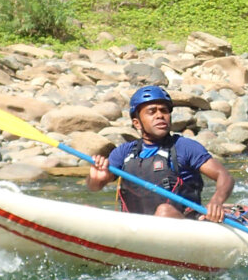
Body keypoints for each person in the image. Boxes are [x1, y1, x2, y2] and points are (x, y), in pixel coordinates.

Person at [87, 85, 234, 222]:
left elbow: (224, 176)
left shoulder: (185, 147)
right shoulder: (124, 152)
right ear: (137, 123)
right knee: (88, 210)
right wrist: (96, 179)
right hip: (135, 226)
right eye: (152, 112)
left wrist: (216, 201)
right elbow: (94, 187)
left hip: (184, 225)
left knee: (164, 211)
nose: (160, 116)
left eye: (164, 111)